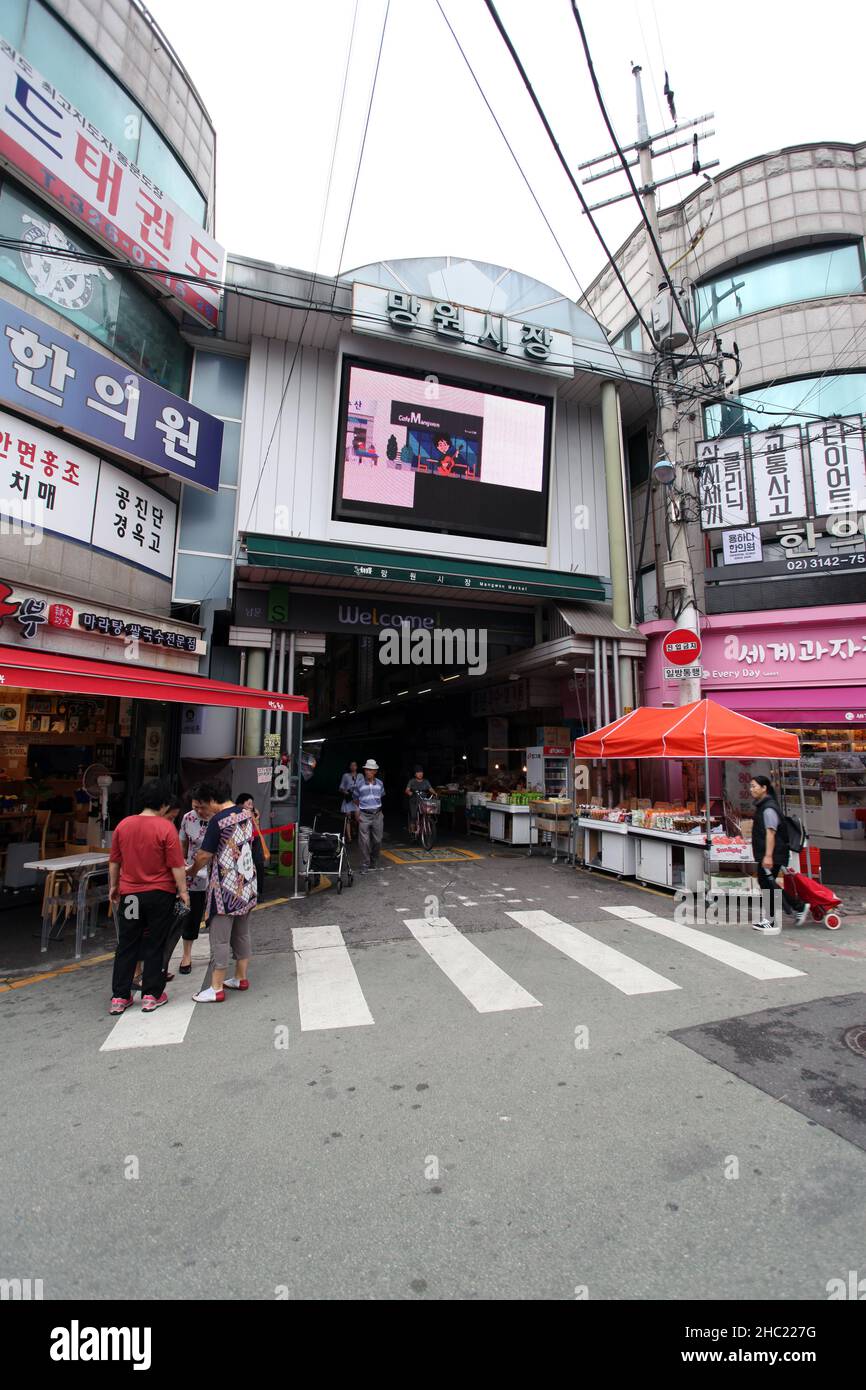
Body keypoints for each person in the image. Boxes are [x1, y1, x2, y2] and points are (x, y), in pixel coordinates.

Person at [108, 779, 190, 1015]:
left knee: (127, 942)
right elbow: (176, 866)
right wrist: (183, 891)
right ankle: (151, 995)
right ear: (164, 805)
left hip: (131, 894)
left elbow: (114, 860)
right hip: (159, 895)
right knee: (156, 943)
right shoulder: (166, 828)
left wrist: (115, 886)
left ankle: (120, 997)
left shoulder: (124, 825)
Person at [188, 780, 257, 1003]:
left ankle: (216, 987)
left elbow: (204, 855)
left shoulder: (218, 821)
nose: (200, 811)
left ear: (211, 800)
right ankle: (240, 977)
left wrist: (191, 871)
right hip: (246, 882)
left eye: (201, 806)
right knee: (242, 931)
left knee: (219, 938)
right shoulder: (246, 813)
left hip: (225, 889)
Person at [750, 776, 809, 935]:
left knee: (767, 883)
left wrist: (768, 856)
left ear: (764, 788)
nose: (752, 789)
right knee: (767, 883)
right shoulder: (764, 806)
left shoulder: (768, 808)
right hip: (771, 853)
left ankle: (772, 921)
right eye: (751, 786)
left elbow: (771, 833)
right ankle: (798, 906)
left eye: (755, 786)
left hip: (773, 853)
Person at [174, 795, 211, 975]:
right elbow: (183, 843)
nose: (198, 811)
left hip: (216, 873)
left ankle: (216, 951)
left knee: (216, 915)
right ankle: (186, 955)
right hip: (192, 873)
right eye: (195, 806)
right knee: (191, 914)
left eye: (201, 807)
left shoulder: (218, 817)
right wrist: (182, 865)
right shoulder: (188, 818)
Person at [353, 759, 385, 873]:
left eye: (370, 770)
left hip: (377, 815)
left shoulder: (380, 783)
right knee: (364, 841)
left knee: (378, 840)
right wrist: (358, 811)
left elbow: (381, 796)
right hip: (364, 815)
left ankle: (373, 860)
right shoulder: (359, 784)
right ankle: (365, 864)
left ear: (375, 771)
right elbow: (355, 799)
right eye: (366, 769)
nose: (368, 771)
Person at [235, 793, 268, 899]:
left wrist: (256, 818)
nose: (251, 806)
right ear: (240, 804)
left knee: (259, 864)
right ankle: (244, 890)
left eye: (252, 804)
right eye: (248, 804)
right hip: (242, 842)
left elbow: (256, 828)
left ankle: (259, 890)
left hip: (255, 840)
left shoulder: (253, 813)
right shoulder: (236, 814)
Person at [405, 765, 434, 837]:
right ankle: (413, 833)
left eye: (421, 772)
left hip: (423, 801)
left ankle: (426, 827)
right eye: (418, 772)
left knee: (428, 814)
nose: (420, 774)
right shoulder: (412, 781)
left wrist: (435, 793)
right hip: (414, 800)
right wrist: (410, 792)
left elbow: (430, 789)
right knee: (414, 816)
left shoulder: (426, 781)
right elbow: (407, 790)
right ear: (415, 774)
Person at [339, 761, 360, 840]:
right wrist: (345, 792)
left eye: (354, 765)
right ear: (349, 767)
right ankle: (349, 837)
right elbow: (341, 788)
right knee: (348, 817)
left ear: (357, 767)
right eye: (351, 765)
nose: (353, 767)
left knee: (357, 818)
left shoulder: (360, 776)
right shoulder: (346, 776)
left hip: (357, 799)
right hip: (348, 798)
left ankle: (354, 827)